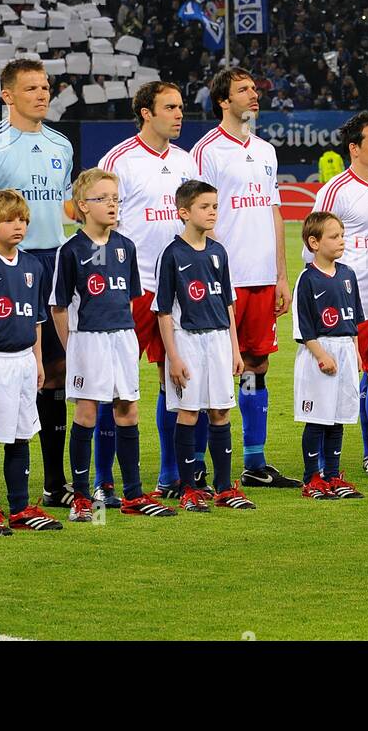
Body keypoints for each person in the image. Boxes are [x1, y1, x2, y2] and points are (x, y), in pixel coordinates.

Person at [0, 58, 75, 509]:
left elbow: (59, 206)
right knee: (4, 366)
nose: (41, 95)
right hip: (10, 267)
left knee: (56, 370)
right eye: (31, 89)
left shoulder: (62, 145)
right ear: (8, 96)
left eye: (45, 88)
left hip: (53, 263)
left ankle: (54, 482)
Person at [193, 68, 298, 489]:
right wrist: (219, 270)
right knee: (214, 370)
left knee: (257, 364)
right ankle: (197, 463)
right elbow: (200, 215)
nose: (254, 95)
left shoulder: (266, 151)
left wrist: (280, 275)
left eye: (254, 89)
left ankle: (255, 462)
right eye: (243, 90)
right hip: (224, 281)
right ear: (223, 101)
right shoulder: (208, 151)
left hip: (260, 279)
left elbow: (273, 211)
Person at [51, 169, 174, 519]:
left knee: (127, 410)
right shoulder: (71, 250)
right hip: (88, 340)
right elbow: (58, 306)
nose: (112, 205)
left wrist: (129, 338)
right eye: (102, 199)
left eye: (116, 199)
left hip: (122, 336)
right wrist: (72, 346)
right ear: (82, 207)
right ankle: (81, 498)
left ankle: (134, 495)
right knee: (87, 413)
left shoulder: (126, 247)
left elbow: (131, 298)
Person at [97, 81, 198, 502]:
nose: (178, 114)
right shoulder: (118, 160)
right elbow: (100, 225)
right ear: (146, 112)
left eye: (180, 107)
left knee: (172, 381)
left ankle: (170, 475)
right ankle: (103, 481)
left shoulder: (186, 161)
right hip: (130, 287)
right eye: (169, 107)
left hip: (174, 291)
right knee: (112, 385)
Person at [0, 189, 63, 535]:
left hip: (22, 363)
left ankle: (19, 507)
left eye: (22, 219)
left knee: (21, 436)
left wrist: (38, 361)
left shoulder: (33, 266)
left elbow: (36, 320)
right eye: (9, 220)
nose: (18, 226)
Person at [155, 180, 253, 512]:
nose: (212, 212)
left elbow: (228, 303)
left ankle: (225, 487)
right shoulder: (172, 254)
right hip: (187, 341)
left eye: (214, 206)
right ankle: (188, 488)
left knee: (221, 411)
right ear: (184, 212)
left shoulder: (218, 251)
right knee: (188, 412)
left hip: (219, 341)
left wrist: (235, 349)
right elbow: (164, 312)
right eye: (204, 207)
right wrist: (173, 356)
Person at [310, 112, 368, 475]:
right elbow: (311, 251)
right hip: (349, 301)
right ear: (354, 148)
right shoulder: (335, 190)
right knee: (351, 377)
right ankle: (346, 462)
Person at [293, 212, 365, 500]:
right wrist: (321, 355)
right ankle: (312, 477)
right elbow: (303, 327)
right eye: (334, 236)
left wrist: (356, 353)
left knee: (338, 417)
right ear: (314, 242)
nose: (341, 241)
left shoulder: (348, 274)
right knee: (318, 418)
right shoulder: (307, 279)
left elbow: (354, 319)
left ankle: (332, 475)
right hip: (318, 353)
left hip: (345, 349)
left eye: (342, 235)